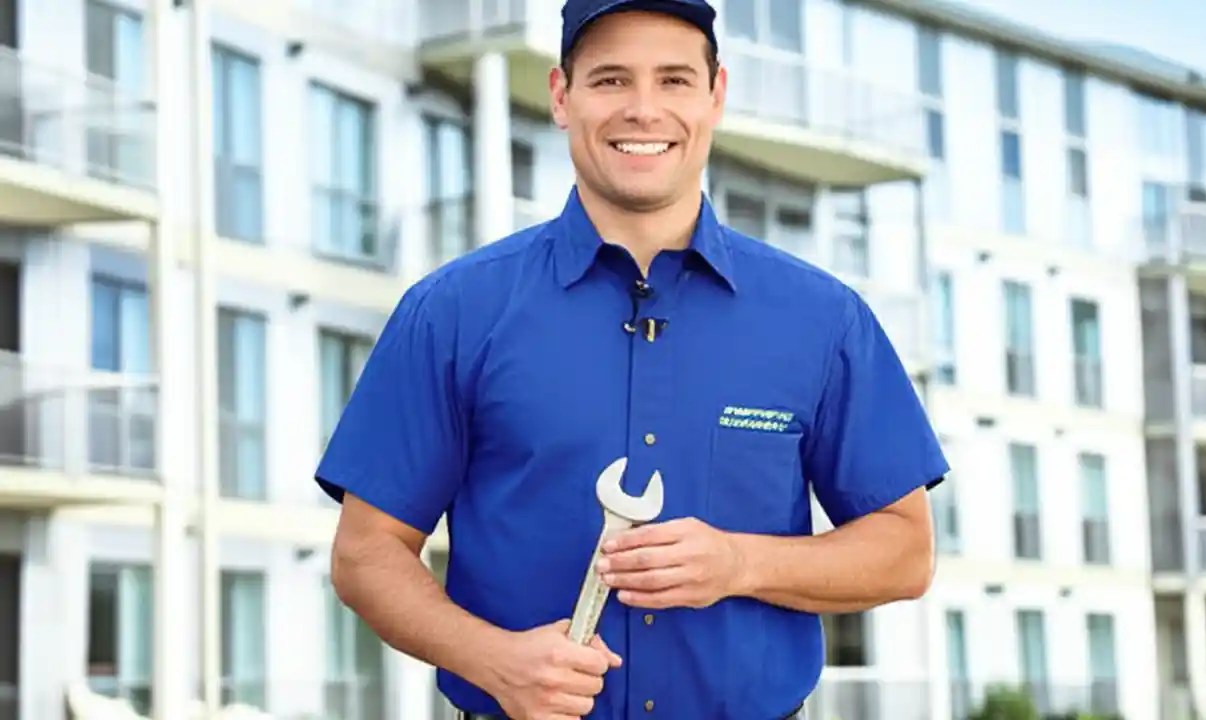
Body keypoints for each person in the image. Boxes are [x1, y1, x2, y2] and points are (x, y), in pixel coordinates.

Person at [316, 0, 949, 717]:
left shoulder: (823, 320)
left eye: (675, 80)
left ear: (716, 96)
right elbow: (366, 554)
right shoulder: (453, 313)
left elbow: (905, 551)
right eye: (612, 80)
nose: (643, 110)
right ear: (562, 96)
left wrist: (742, 564)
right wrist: (493, 660)